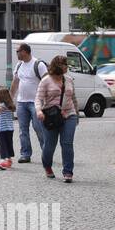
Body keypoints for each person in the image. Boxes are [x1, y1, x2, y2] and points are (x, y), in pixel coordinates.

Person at [35, 55, 80, 183]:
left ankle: (68, 172)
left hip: (69, 114)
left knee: (67, 143)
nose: (67, 67)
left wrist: (76, 114)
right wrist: (39, 111)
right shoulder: (46, 81)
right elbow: (38, 98)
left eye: (67, 64)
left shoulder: (69, 80)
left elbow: (74, 98)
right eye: (64, 64)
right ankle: (47, 166)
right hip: (50, 116)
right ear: (57, 66)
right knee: (49, 145)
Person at [9, 43, 49, 164]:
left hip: (36, 103)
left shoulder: (39, 64)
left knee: (38, 128)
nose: (16, 53)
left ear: (25, 51)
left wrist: (47, 100)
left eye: (18, 51)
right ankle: (25, 154)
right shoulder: (19, 64)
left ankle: (46, 152)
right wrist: (10, 99)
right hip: (21, 102)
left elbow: (47, 82)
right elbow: (15, 82)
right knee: (23, 130)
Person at [0, 88, 16, 170]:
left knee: (2, 145)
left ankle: (3, 161)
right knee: (8, 143)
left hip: (1, 129)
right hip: (10, 129)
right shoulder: (10, 105)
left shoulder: (2, 105)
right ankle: (9, 159)